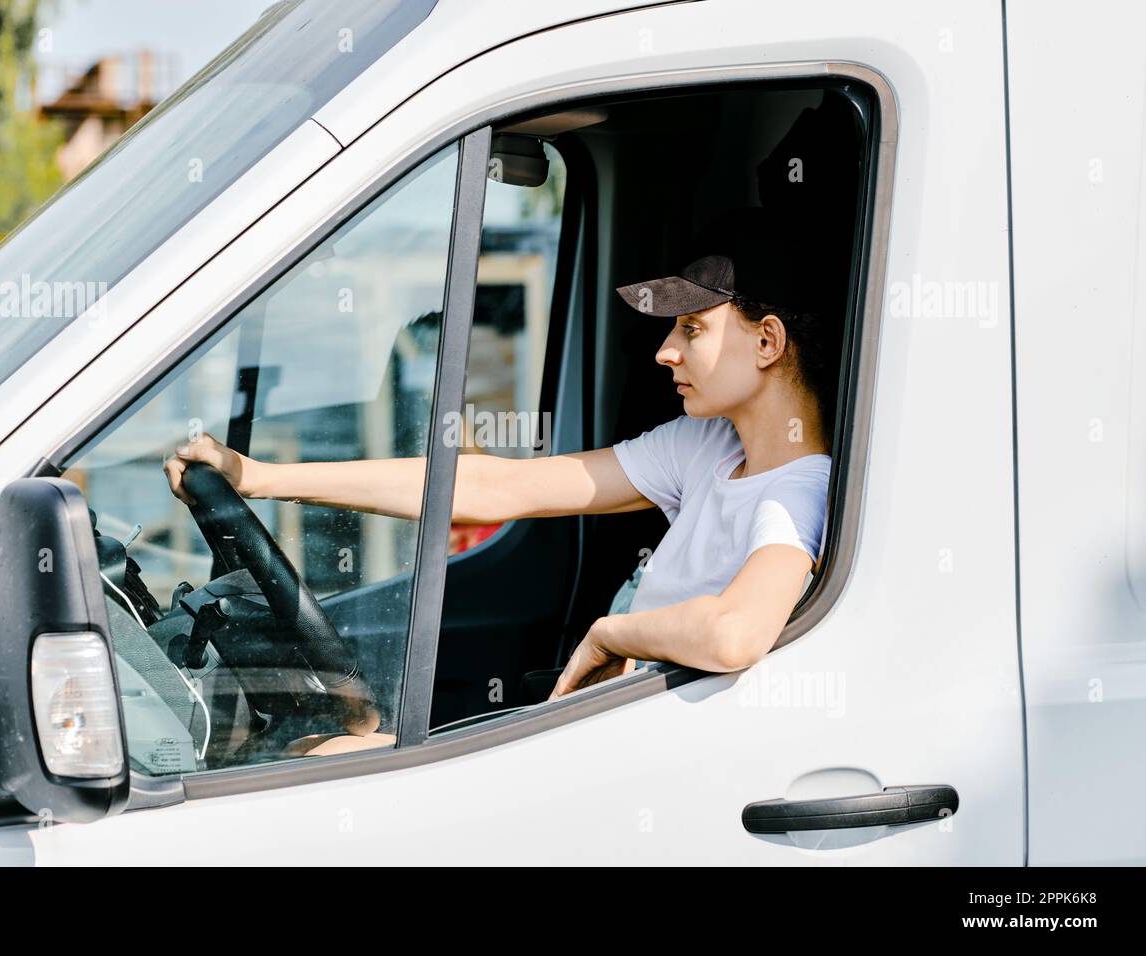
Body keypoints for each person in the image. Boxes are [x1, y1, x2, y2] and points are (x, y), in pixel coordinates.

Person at [165, 248, 837, 721]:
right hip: (609, 727)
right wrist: (260, 477)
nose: (666, 351)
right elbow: (497, 489)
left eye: (693, 330)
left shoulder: (797, 492)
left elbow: (733, 634)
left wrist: (612, 634)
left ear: (768, 343)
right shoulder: (708, 446)